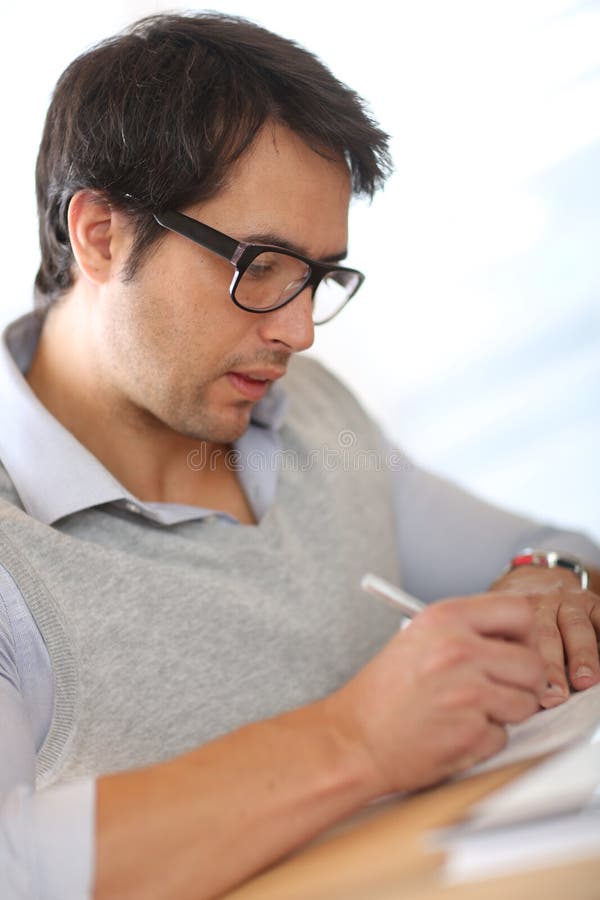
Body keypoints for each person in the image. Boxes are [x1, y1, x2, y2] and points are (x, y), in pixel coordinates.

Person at [0, 12, 599, 900]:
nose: (300, 329)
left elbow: (559, 549)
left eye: (319, 275)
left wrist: (546, 580)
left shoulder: (304, 413)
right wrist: (353, 742)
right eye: (263, 266)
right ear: (100, 234)